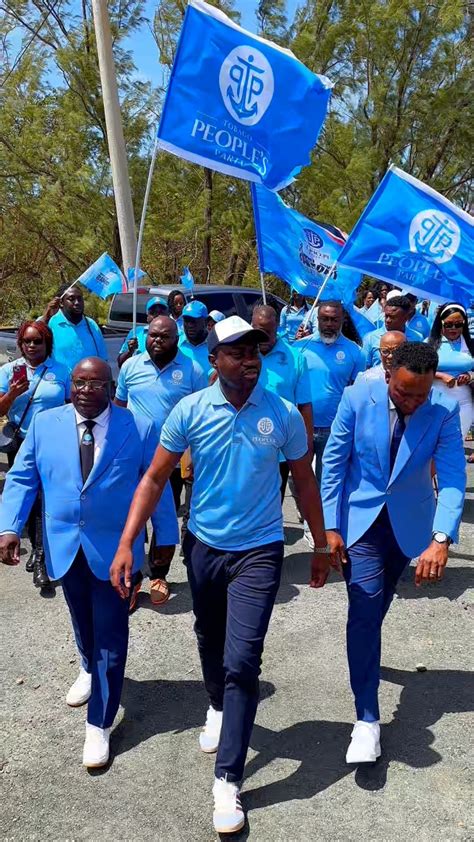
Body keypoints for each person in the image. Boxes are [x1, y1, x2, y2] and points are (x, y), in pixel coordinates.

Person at [110, 315, 331, 834]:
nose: (250, 359)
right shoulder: (190, 410)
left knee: (242, 659)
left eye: (255, 350)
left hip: (259, 550)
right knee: (209, 637)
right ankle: (216, 706)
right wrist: (128, 543)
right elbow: (155, 477)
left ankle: (227, 778)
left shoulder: (282, 415)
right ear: (214, 360)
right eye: (236, 351)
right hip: (205, 546)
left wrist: (321, 543)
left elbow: (303, 481)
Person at [0, 358, 178, 768]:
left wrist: (164, 540)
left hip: (117, 552)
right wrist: (9, 526)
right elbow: (23, 478)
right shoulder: (45, 425)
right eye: (78, 382)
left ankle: (98, 723)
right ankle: (85, 663)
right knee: (81, 617)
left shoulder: (139, 428)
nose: (85, 389)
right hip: (63, 545)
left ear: (110, 385)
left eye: (96, 383)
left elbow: (157, 490)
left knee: (111, 637)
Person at [321, 343, 466, 764]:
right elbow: (333, 464)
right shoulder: (355, 398)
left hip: (409, 526)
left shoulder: (443, 409)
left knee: (378, 605)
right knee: (364, 609)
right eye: (404, 394)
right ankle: (367, 719)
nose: (413, 402)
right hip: (359, 524)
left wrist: (441, 538)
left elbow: (454, 475)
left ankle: (363, 652)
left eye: (420, 395)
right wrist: (328, 527)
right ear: (389, 376)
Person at [115, 316, 207, 604]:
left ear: (176, 339)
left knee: (166, 518)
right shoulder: (130, 366)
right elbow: (118, 407)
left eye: (164, 336)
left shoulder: (192, 370)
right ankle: (133, 579)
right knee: (134, 515)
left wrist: (193, 454)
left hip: (175, 458)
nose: (156, 340)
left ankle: (159, 574)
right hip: (135, 456)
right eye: (152, 335)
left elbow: (201, 415)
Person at [0, 321, 70, 588]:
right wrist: (13, 393)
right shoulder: (9, 371)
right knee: (26, 498)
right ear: (20, 343)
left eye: (37, 341)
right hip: (21, 443)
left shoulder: (61, 371)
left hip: (54, 444)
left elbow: (69, 408)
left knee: (45, 498)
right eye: (27, 341)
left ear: (47, 344)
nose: (31, 346)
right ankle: (34, 543)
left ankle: (40, 558)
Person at [297, 301, 365, 489]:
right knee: (299, 479)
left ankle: (323, 517)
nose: (329, 324)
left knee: (328, 481)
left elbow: (356, 393)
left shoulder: (356, 352)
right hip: (302, 427)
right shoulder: (300, 347)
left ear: (342, 320)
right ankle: (306, 512)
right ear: (317, 319)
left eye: (334, 320)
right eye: (324, 319)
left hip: (334, 429)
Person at [251, 305, 313, 499]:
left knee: (273, 502)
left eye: (267, 333)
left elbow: (304, 406)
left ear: (277, 327)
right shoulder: (240, 354)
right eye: (257, 332)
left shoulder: (295, 358)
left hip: (279, 449)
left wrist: (306, 446)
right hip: (245, 443)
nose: (262, 338)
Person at [428, 303, 474, 439]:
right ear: (441, 323)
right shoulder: (429, 344)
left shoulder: (471, 345)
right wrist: (440, 376)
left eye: (458, 324)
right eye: (449, 324)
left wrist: (470, 375)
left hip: (464, 403)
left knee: (456, 444)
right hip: (435, 403)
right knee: (435, 445)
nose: (453, 328)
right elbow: (419, 370)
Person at [42, 284, 107, 373]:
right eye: (71, 299)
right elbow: (32, 339)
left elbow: (103, 359)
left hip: (87, 384)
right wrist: (47, 313)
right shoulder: (50, 322)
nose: (77, 302)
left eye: (80, 299)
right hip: (59, 382)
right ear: (61, 302)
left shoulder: (91, 325)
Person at [362, 295, 422, 368]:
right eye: (386, 316)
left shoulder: (417, 338)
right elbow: (364, 368)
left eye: (392, 317)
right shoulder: (371, 338)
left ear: (405, 318)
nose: (387, 320)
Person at [117, 296, 169, 368]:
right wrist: (129, 352)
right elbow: (120, 363)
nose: (157, 315)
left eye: (161, 312)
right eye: (153, 312)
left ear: (168, 315)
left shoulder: (176, 334)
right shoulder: (136, 332)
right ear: (147, 317)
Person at [179, 300, 211, 375]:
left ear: (205, 322)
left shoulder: (215, 346)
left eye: (193, 321)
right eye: (186, 321)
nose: (190, 325)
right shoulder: (176, 343)